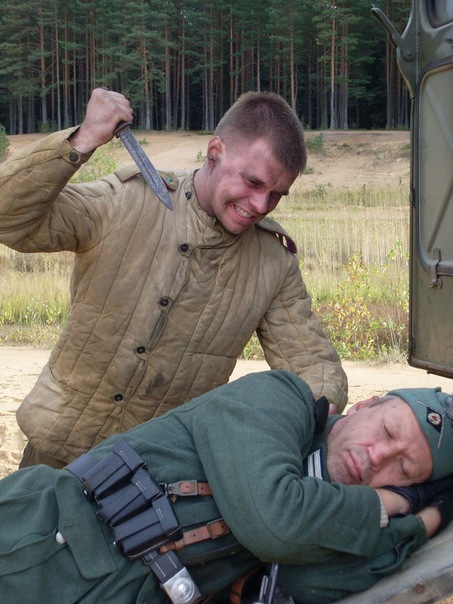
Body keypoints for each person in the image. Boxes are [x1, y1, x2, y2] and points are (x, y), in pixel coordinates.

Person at [0, 88, 348, 469]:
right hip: (52, 456)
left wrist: (319, 407)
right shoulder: (126, 201)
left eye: (277, 195)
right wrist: (82, 140)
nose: (260, 206)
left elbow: (314, 366)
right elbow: (8, 218)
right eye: (252, 182)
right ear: (215, 152)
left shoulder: (273, 262)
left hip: (156, 477)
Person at [1, 369, 453, 604]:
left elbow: (311, 582)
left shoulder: (324, 514)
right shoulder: (280, 397)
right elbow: (274, 522)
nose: (376, 457)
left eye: (404, 469)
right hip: (37, 549)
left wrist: (422, 522)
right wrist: (386, 504)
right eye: (387, 432)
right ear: (366, 405)